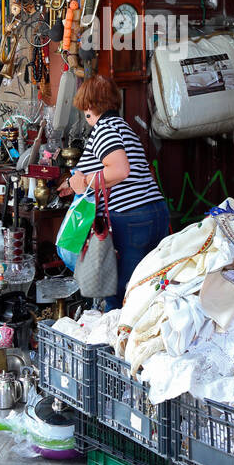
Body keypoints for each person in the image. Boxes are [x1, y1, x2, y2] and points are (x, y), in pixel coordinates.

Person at [62, 74, 170, 310]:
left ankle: (116, 345)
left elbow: (120, 170)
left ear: (89, 105)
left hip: (130, 218)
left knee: (120, 296)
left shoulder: (104, 129)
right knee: (145, 290)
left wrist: (85, 182)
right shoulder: (123, 126)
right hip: (154, 213)